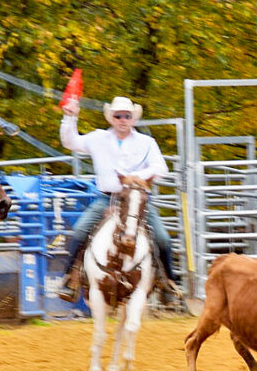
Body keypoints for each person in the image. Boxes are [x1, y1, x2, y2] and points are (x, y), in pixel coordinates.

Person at [56, 95, 180, 301]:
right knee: (79, 231)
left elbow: (161, 168)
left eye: (127, 116)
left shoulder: (147, 143)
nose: (123, 119)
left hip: (137, 200)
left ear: (133, 119)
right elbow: (70, 142)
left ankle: (169, 282)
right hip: (107, 198)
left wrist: (132, 180)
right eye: (118, 115)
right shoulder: (97, 138)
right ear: (111, 118)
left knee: (163, 239)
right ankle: (71, 279)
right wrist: (69, 118)